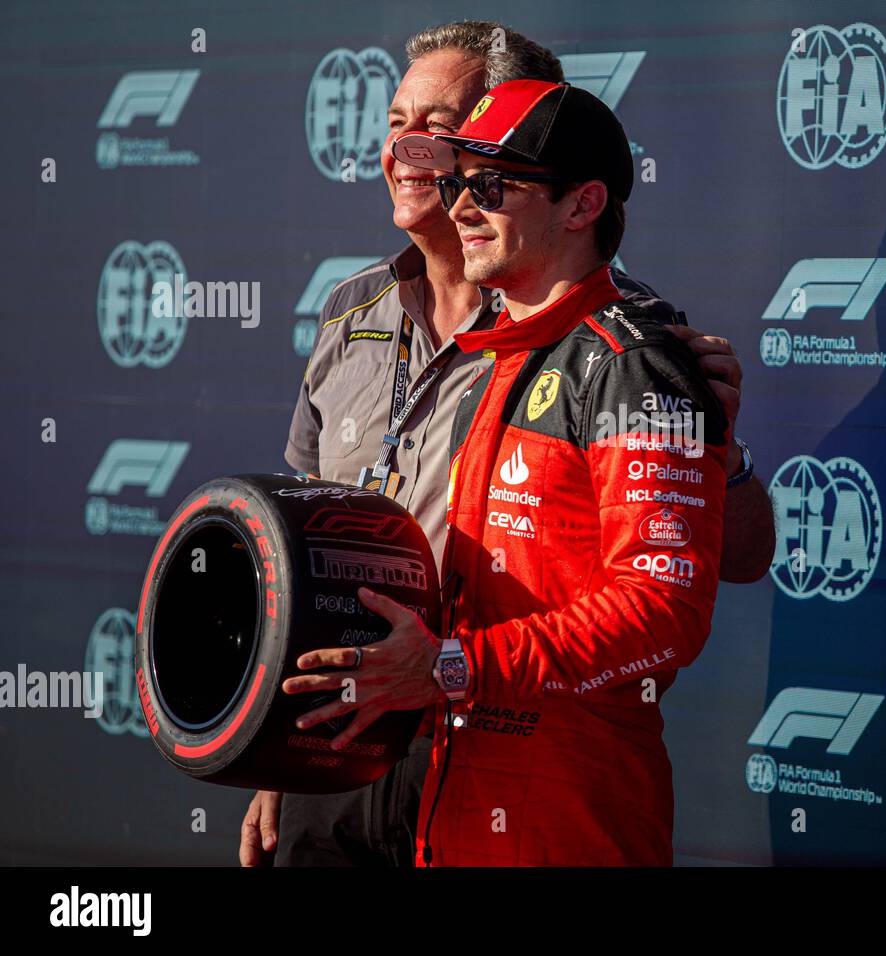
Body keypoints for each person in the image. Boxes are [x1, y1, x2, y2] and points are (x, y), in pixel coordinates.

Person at [239, 20, 775, 867]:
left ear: (578, 202)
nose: (439, 179)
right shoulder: (373, 315)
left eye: (472, 164)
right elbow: (296, 542)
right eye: (395, 126)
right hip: (366, 740)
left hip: (517, 766)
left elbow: (675, 597)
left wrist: (717, 448)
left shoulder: (626, 348)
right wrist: (279, 742)